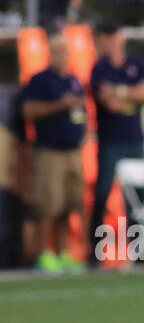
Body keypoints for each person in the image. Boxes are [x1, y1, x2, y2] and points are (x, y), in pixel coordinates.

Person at [88, 22, 144, 266]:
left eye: (112, 35)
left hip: (134, 139)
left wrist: (119, 91)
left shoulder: (138, 64)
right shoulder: (99, 68)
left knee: (137, 198)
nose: (109, 41)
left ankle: (140, 252)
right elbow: (108, 103)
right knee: (102, 194)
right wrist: (130, 94)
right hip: (111, 141)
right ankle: (95, 251)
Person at [21, 32, 87, 273]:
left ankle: (63, 252)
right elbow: (28, 111)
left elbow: (80, 110)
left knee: (68, 205)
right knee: (46, 205)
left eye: (65, 51)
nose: (62, 56)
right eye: (57, 51)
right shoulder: (40, 80)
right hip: (49, 152)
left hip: (72, 152)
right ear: (50, 53)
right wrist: (60, 104)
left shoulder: (73, 79)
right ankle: (43, 254)